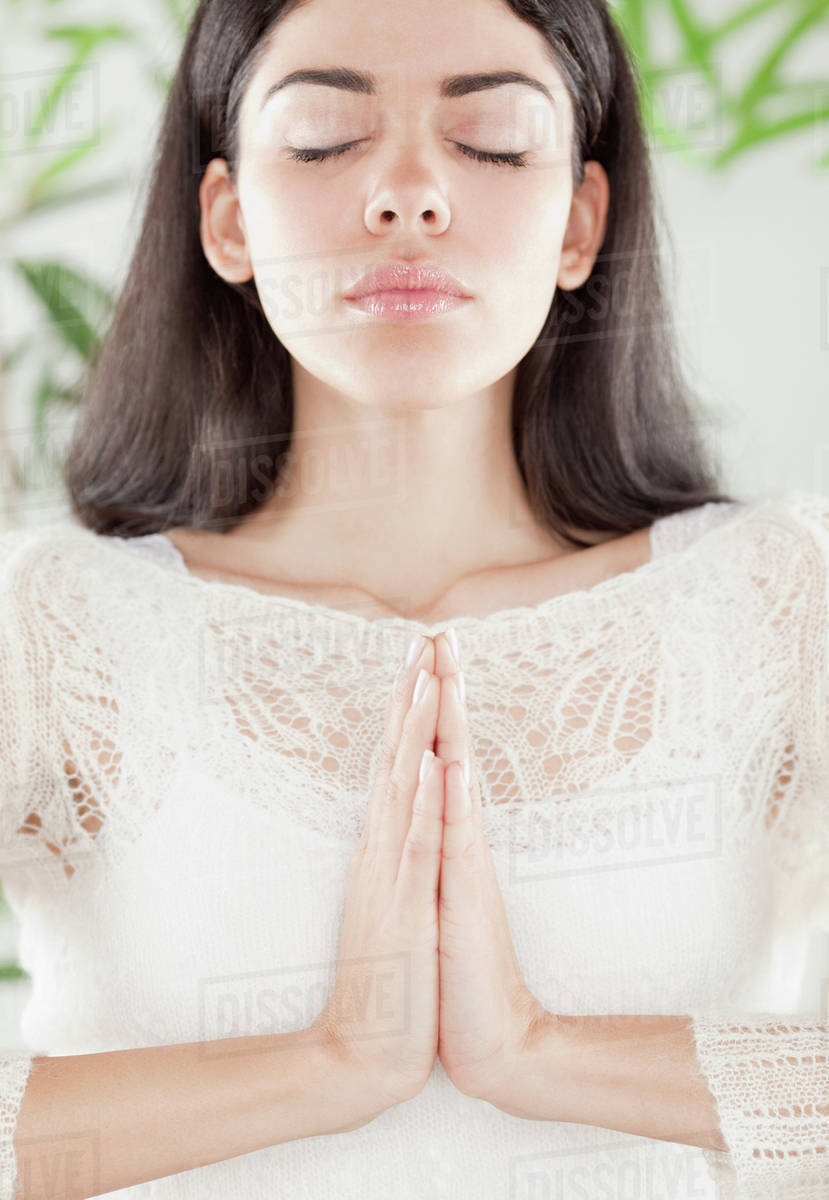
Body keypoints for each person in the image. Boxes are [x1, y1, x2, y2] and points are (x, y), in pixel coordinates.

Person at [1, 0, 827, 1197]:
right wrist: (323, 1069)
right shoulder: (50, 625)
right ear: (227, 221)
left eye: (490, 140)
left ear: (580, 223)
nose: (406, 194)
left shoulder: (779, 603)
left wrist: (541, 1056)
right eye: (325, 139)